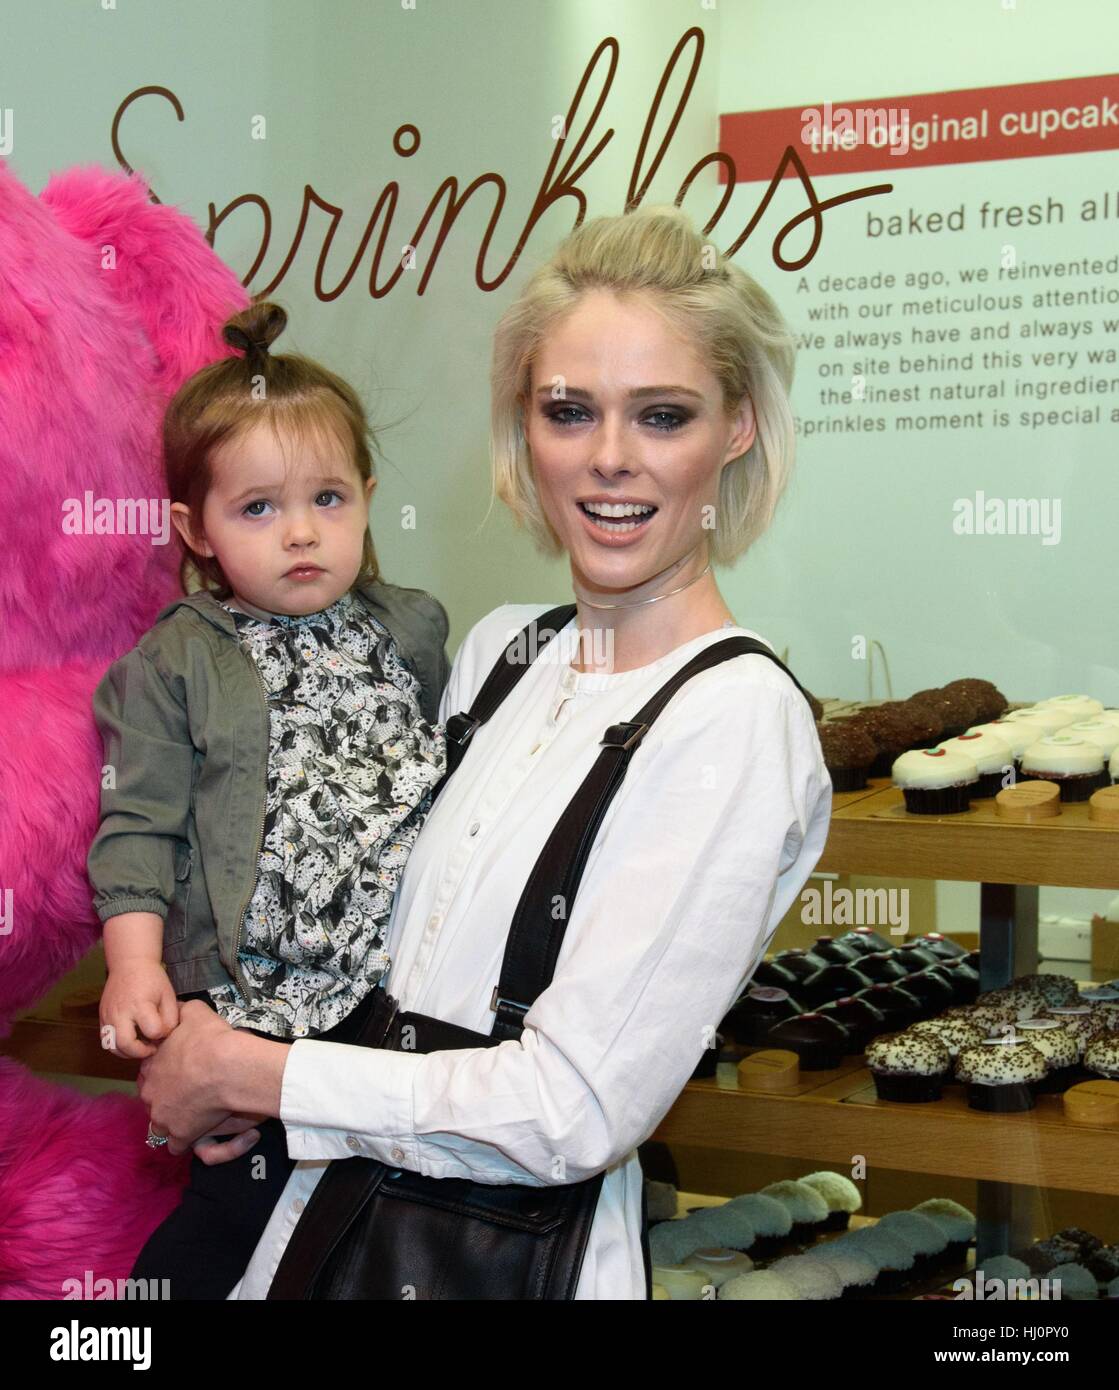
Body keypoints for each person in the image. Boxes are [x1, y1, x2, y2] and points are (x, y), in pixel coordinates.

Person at [135, 205, 833, 1300]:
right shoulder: (506, 650)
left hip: (504, 1261)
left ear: (736, 429)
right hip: (326, 1230)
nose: (609, 459)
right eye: (569, 410)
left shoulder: (735, 721)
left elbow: (571, 1111)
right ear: (525, 424)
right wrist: (228, 1038)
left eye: (662, 415)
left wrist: (265, 1074)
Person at [86, 301, 451, 1298]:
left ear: (369, 500)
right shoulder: (174, 665)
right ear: (192, 528)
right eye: (257, 509)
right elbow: (139, 823)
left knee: (370, 1227)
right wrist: (136, 967)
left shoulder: (409, 632)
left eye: (328, 498)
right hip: (252, 1000)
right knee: (236, 1219)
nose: (301, 531)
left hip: (393, 995)